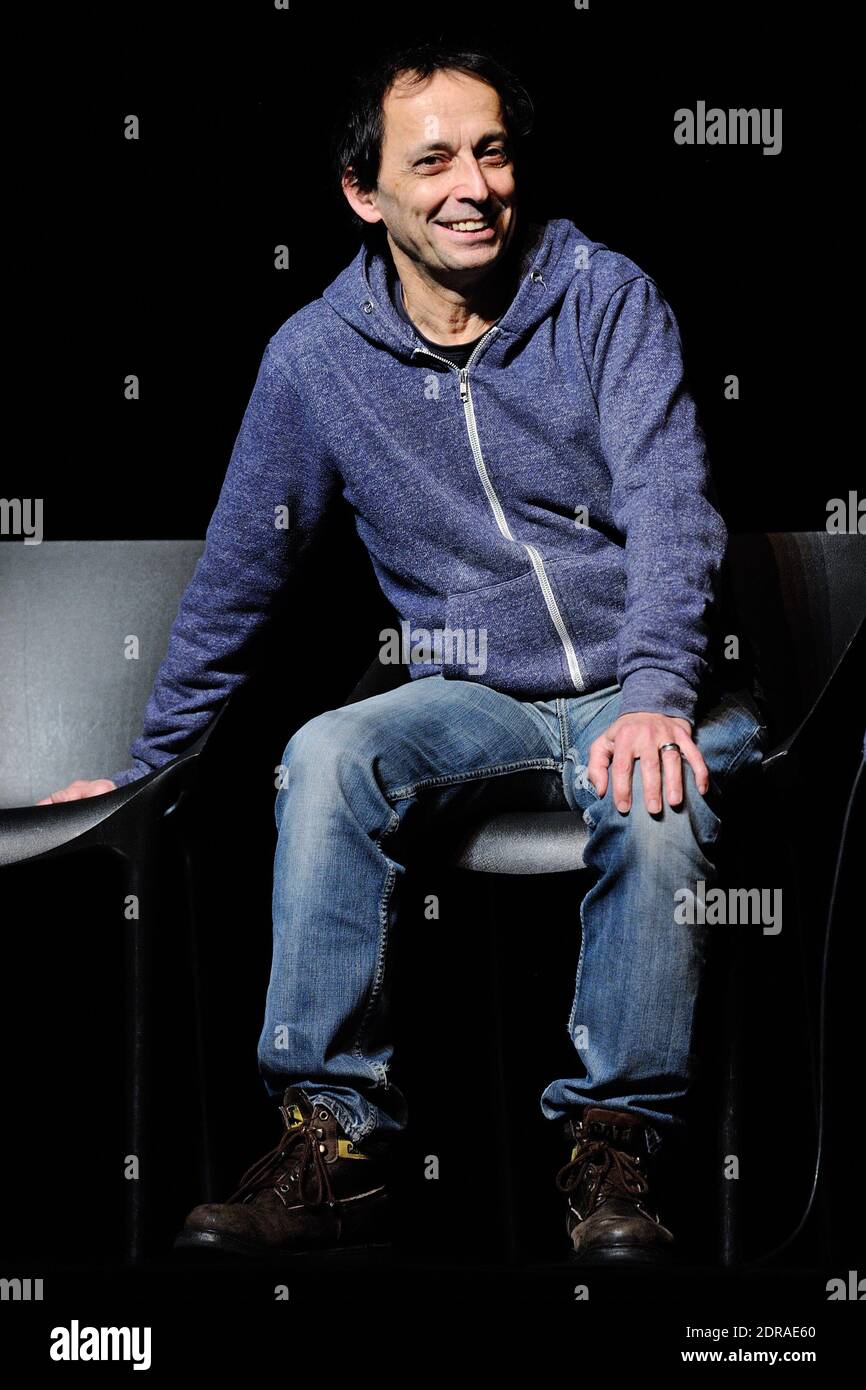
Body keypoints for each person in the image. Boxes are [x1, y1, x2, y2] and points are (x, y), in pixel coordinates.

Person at [37, 43, 768, 1265]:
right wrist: (145, 768)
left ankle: (612, 1153)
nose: (470, 185)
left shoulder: (602, 295)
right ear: (362, 192)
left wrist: (653, 693)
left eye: (489, 151)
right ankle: (330, 1143)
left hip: (641, 686)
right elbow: (238, 579)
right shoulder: (315, 359)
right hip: (473, 689)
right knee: (327, 750)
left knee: (653, 796)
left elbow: (671, 505)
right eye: (429, 160)